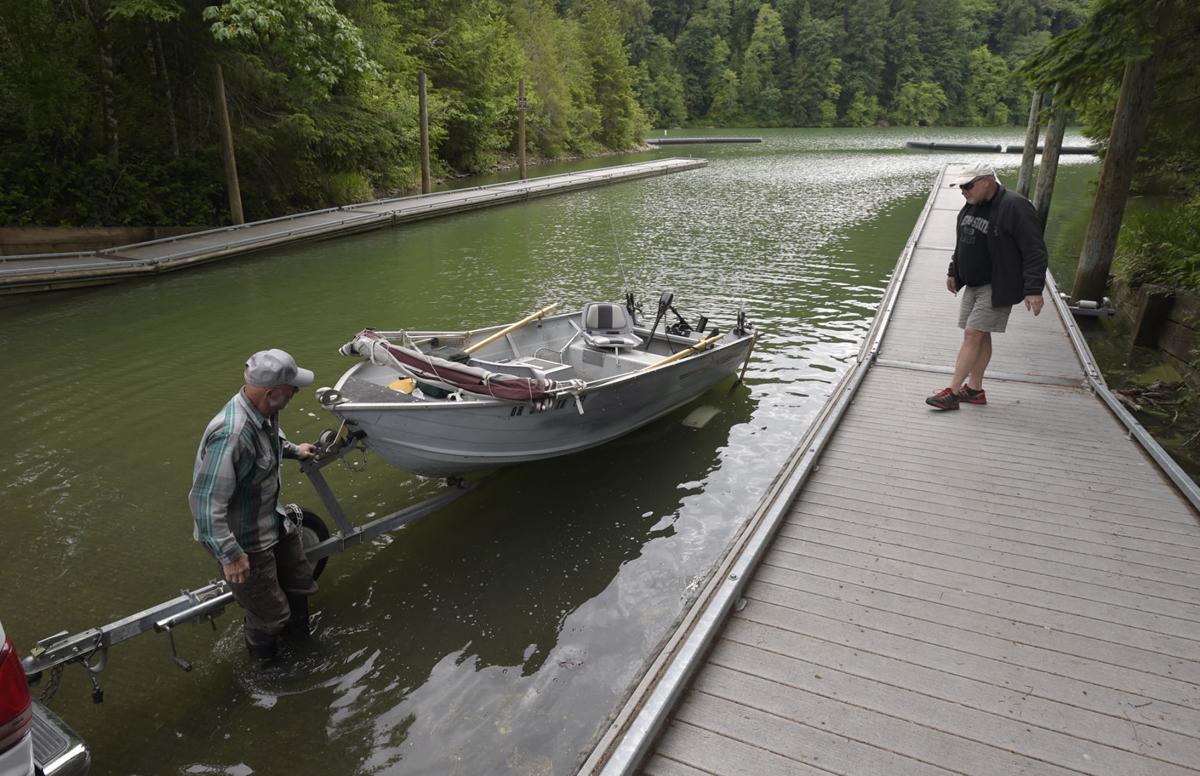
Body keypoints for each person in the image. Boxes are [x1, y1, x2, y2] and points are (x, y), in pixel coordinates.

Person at [188, 348, 320, 661]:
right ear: (273, 392)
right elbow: (206, 503)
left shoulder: (265, 410)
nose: (296, 393)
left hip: (270, 519)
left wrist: (294, 450)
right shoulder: (231, 433)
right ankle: (270, 672)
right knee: (270, 615)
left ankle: (303, 646)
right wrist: (230, 555)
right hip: (243, 540)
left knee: (301, 585)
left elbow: (270, 442)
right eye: (292, 389)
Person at [926, 162, 1048, 411]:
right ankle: (975, 389)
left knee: (973, 333)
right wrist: (954, 271)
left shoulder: (1014, 206)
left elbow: (1035, 249)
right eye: (961, 187)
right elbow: (963, 241)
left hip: (998, 282)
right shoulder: (971, 206)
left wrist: (1033, 289)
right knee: (980, 333)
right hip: (973, 282)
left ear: (987, 181)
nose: (963, 191)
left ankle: (953, 391)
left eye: (968, 185)